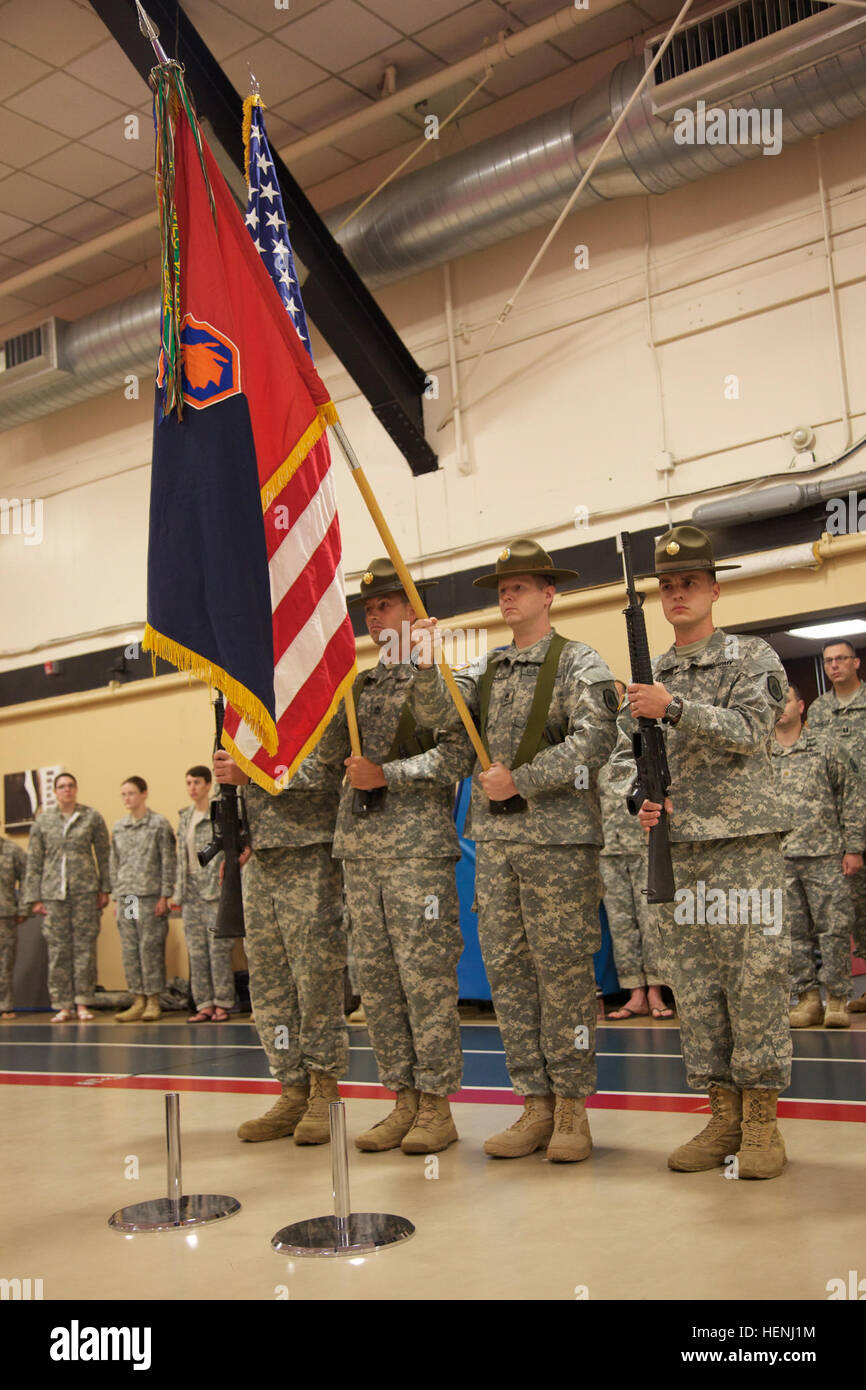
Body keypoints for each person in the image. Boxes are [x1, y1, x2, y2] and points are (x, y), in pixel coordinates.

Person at [414, 538, 619, 1163]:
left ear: (549, 593)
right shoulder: (487, 667)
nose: (508, 595)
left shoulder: (581, 662)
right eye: (502, 588)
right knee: (508, 974)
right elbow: (438, 717)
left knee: (563, 976)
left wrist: (520, 780)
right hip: (497, 846)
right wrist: (425, 663)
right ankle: (535, 1104)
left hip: (557, 846)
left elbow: (598, 738)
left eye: (521, 586)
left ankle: (574, 1110)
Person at [611, 525, 791, 1180]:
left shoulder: (751, 658)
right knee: (696, 984)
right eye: (668, 585)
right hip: (679, 849)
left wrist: (675, 706)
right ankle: (721, 1114)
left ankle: (763, 1120)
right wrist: (640, 805)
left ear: (714, 588)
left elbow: (751, 731)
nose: (678, 593)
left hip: (744, 847)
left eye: (690, 582)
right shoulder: (649, 674)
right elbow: (631, 762)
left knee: (757, 978)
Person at [314, 557, 471, 1156]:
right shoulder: (356, 686)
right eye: (368, 607)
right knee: (378, 984)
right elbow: (328, 758)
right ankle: (402, 1099)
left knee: (425, 979)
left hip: (415, 853)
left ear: (411, 609)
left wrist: (389, 775)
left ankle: (437, 1105)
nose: (374, 614)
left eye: (385, 604)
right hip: (360, 852)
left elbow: (459, 753)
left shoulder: (435, 677)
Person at [213, 748, 347, 1146]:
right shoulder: (252, 707)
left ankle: (324, 1089)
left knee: (315, 977)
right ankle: (292, 1089)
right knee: (270, 987)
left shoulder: (312, 694)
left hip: (309, 850)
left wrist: (250, 774)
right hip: (262, 859)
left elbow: (324, 768)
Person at [771, 684, 865, 1028]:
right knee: (791, 932)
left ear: (801, 705)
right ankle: (808, 999)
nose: (781, 706)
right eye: (775, 700)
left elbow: (852, 799)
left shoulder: (826, 747)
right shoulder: (763, 754)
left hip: (825, 853)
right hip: (780, 857)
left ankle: (838, 998)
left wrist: (854, 847)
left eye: (787, 699)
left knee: (835, 928)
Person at [599, 682, 672, 1021]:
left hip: (641, 838)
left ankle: (657, 991)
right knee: (621, 921)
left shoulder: (635, 725)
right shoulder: (588, 730)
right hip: (606, 844)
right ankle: (635, 993)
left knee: (650, 918)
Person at [21, 772, 111, 1023]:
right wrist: (34, 898)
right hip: (53, 895)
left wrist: (105, 888)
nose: (67, 790)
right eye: (61, 787)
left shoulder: (90, 817)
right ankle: (62, 1004)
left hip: (85, 892)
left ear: (76, 789)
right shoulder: (43, 821)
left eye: (71, 786)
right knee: (58, 950)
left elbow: (104, 854)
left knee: (84, 949)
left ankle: (83, 1001)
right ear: (54, 792)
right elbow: (35, 861)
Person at [807, 640, 866, 1005]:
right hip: (841, 822)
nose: (834, 666)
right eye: (828, 661)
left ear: (856, 662)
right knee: (854, 909)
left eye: (841, 658)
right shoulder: (819, 709)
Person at [110, 777, 177, 1023]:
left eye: (131, 793)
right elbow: (114, 863)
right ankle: (137, 999)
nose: (127, 798)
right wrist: (117, 896)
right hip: (127, 897)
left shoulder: (158, 824)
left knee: (150, 949)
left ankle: (153, 1000)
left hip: (150, 896)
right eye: (123, 794)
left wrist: (165, 894)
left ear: (144, 794)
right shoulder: (119, 827)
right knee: (130, 949)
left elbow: (169, 860)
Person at [175, 765, 235, 1023]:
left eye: (197, 783)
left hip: (214, 890)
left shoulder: (217, 813)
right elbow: (180, 858)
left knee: (218, 950)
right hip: (191, 893)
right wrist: (177, 894)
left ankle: (222, 1002)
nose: (192, 788)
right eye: (188, 783)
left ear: (208, 785)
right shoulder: (185, 816)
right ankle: (204, 1003)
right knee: (196, 952)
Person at [0, 835, 27, 1019]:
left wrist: (23, 907)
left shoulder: (12, 850)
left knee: (5, 962)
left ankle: (4, 1005)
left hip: (5, 914)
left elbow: (28, 876)